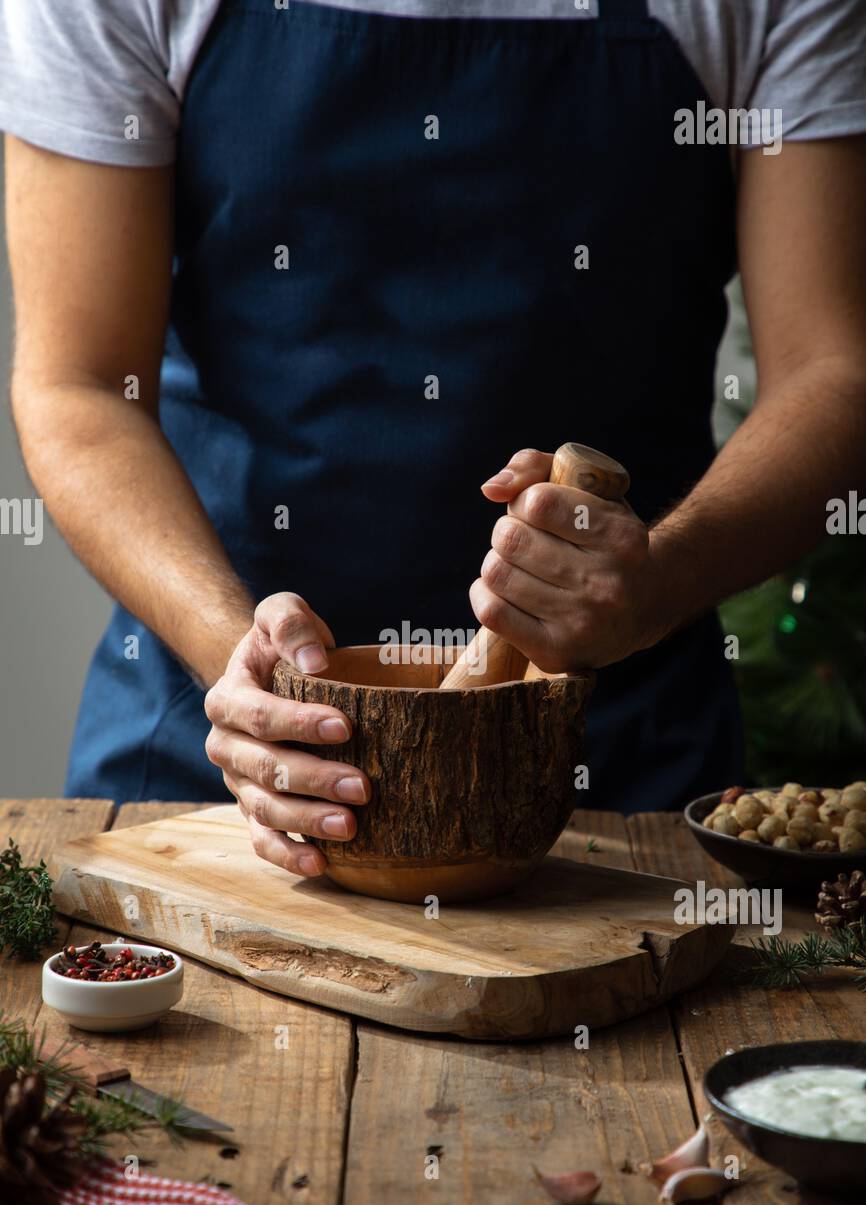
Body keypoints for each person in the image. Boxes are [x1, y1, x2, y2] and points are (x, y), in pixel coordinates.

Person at [2, 0, 865, 882]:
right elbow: (83, 383)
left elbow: (834, 373)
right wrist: (238, 664)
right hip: (210, 770)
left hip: (620, 795)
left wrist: (661, 578)